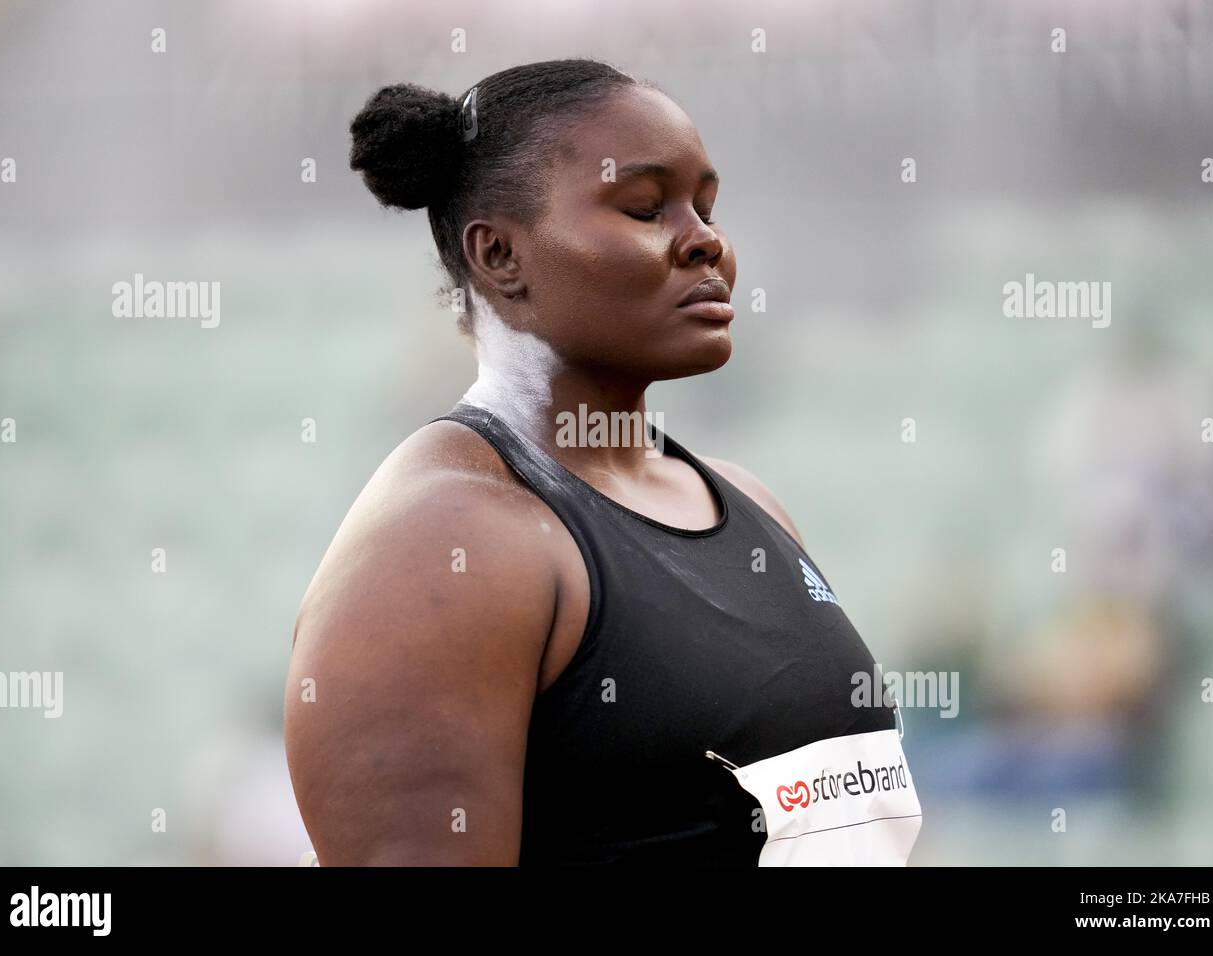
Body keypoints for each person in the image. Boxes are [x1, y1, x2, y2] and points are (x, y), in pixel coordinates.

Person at [284, 57, 921, 866]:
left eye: (708, 207)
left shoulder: (748, 504)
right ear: (499, 256)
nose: (705, 242)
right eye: (646, 208)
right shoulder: (443, 543)